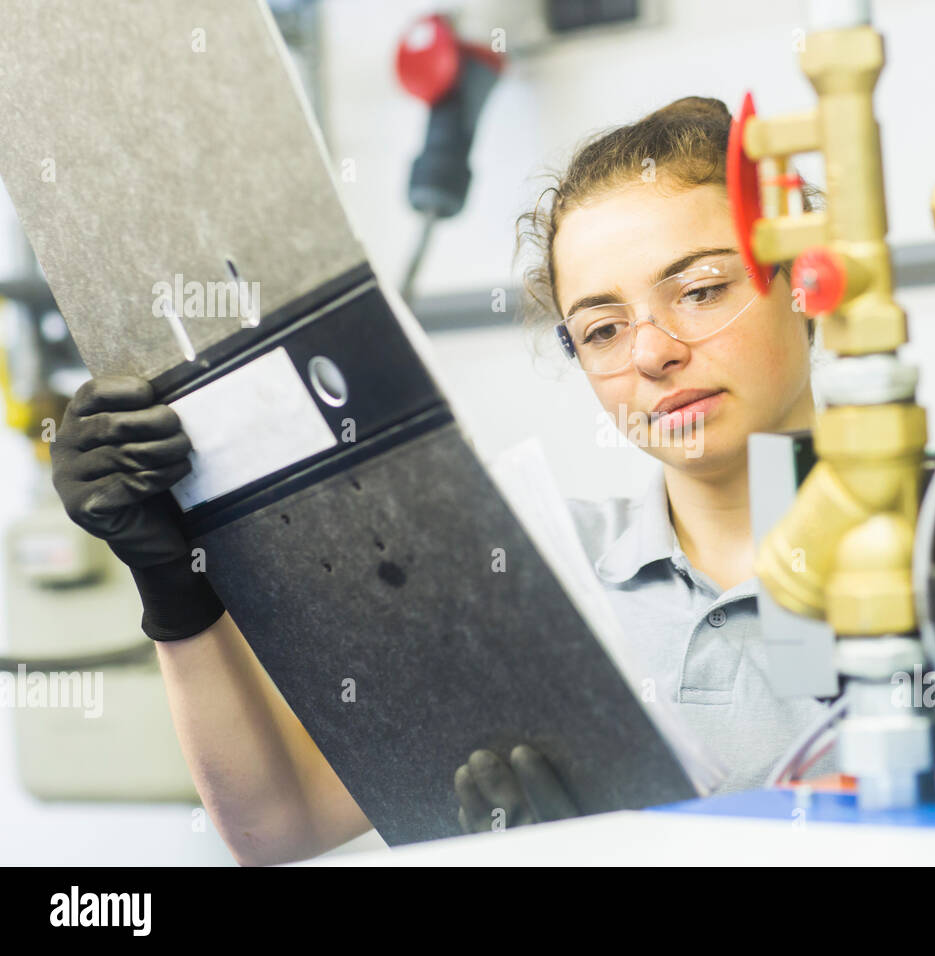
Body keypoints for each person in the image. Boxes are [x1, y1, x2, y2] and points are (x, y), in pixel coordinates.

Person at [50, 96, 830, 865]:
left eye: (699, 290)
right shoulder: (539, 575)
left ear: (809, 282)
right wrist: (172, 580)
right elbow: (277, 824)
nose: (652, 352)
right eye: (602, 328)